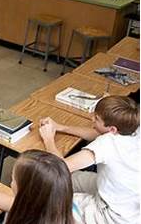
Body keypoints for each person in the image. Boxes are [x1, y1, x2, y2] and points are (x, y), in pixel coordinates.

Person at [39, 95, 139, 224]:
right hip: (128, 202)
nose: (91, 118)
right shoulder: (132, 130)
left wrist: (48, 139)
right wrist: (61, 127)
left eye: (96, 118)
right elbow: (97, 134)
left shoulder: (107, 143)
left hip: (112, 215)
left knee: (51, 202)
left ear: (112, 129)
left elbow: (60, 167)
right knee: (72, 178)